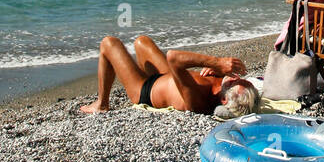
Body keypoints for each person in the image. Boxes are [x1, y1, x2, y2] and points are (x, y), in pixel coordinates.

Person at [81, 34, 259, 117]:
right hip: (168, 77)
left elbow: (173, 57)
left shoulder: (198, 101)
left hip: (145, 91)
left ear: (224, 101)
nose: (236, 77)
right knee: (142, 41)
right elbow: (179, 68)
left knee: (109, 43)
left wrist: (215, 63)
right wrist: (218, 72)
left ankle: (102, 104)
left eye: (236, 82)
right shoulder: (220, 86)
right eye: (242, 79)